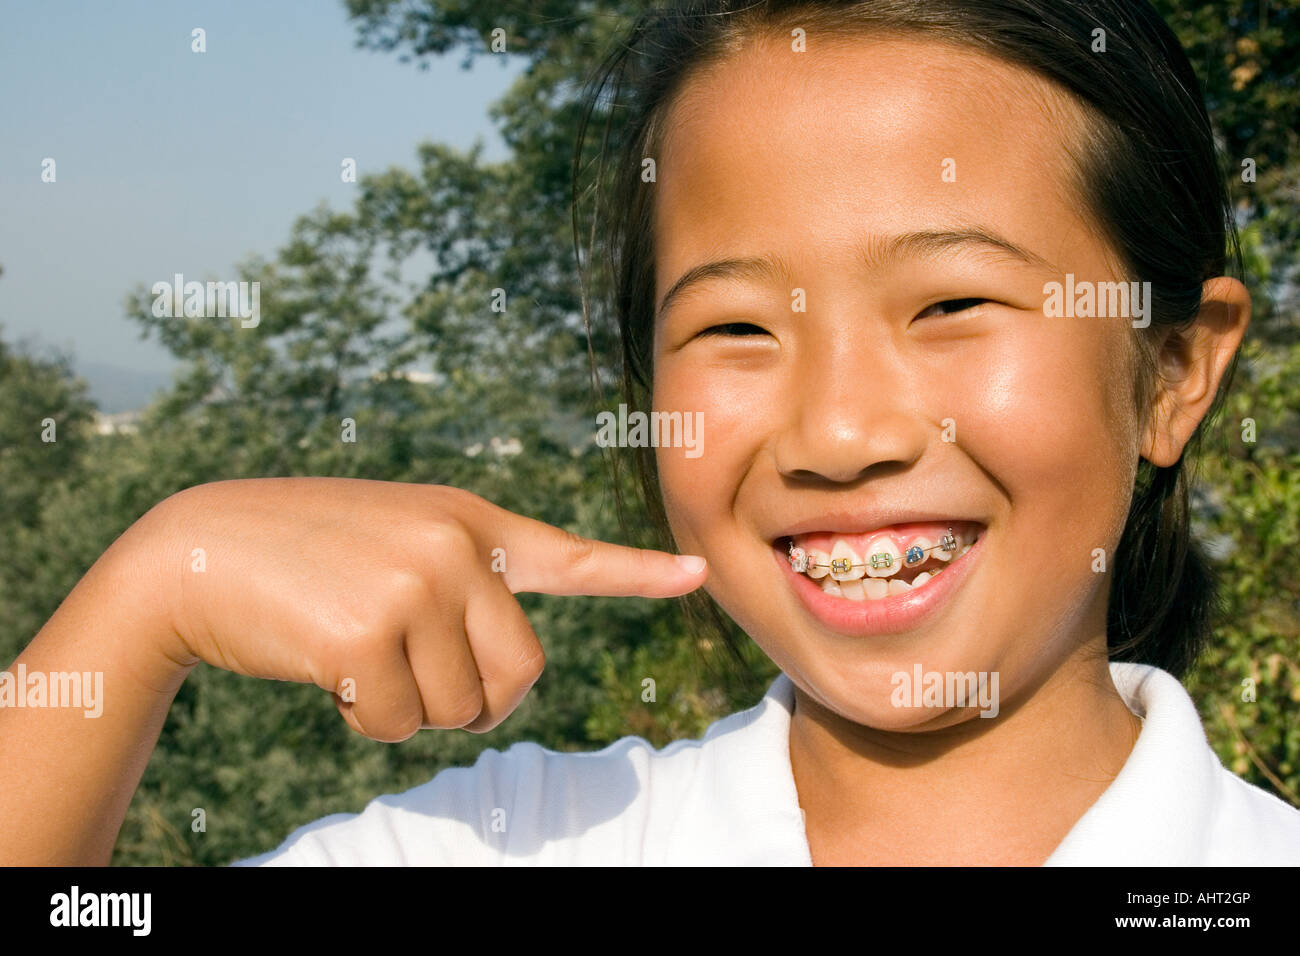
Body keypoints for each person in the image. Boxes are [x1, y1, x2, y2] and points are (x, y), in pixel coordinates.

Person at [3, 0, 1298, 865]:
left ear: (1178, 366)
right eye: (736, 330)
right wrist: (146, 600)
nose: (838, 432)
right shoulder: (498, 851)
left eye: (952, 303)